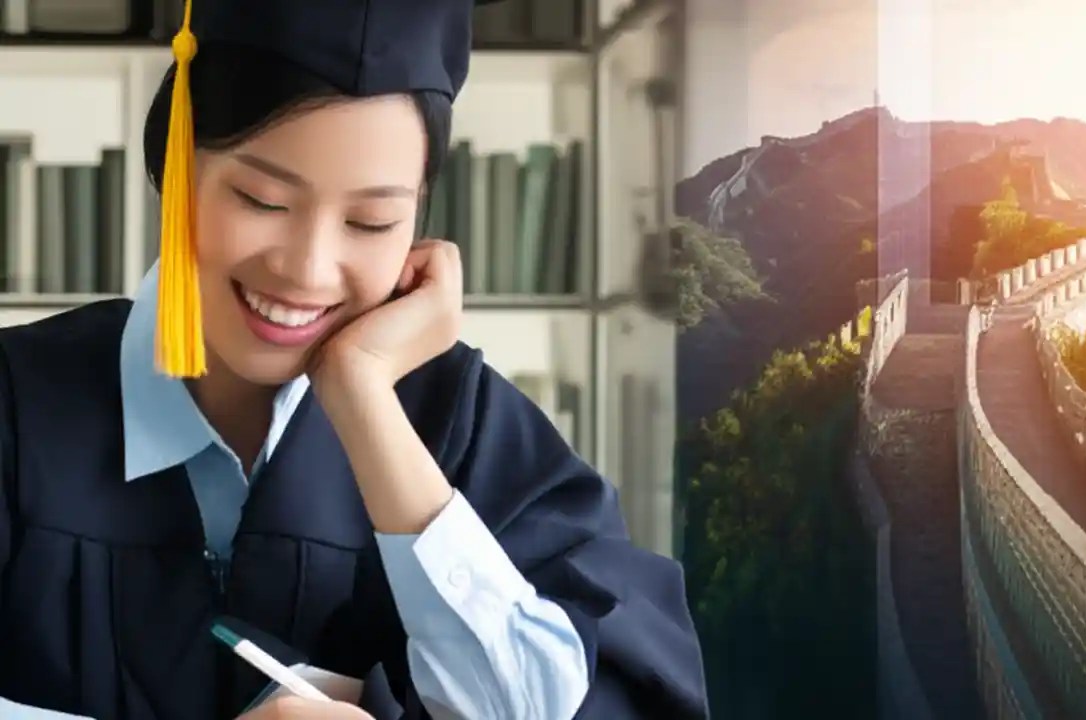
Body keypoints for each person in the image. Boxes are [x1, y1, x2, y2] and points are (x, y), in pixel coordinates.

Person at [0, 0, 708, 718]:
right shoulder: (16, 408)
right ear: (174, 165)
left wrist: (366, 401)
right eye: (261, 199)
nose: (308, 270)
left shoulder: (468, 428)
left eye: (372, 222)